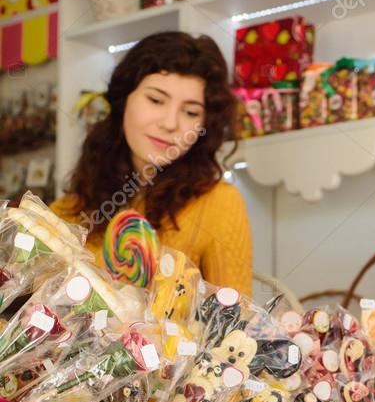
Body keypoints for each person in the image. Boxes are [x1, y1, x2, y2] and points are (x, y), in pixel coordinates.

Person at [50, 31, 252, 295]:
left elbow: (234, 325)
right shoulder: (69, 212)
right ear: (124, 100)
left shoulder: (219, 204)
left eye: (190, 112)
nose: (170, 124)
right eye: (156, 100)